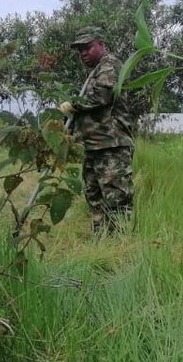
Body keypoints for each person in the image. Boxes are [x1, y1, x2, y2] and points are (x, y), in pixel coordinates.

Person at [58, 26, 136, 235]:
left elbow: (102, 96)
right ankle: (101, 243)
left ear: (100, 44)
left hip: (112, 145)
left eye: (87, 47)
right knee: (95, 198)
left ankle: (120, 248)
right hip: (93, 146)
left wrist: (74, 104)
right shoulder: (95, 70)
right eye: (79, 50)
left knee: (117, 200)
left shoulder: (110, 64)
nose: (83, 53)